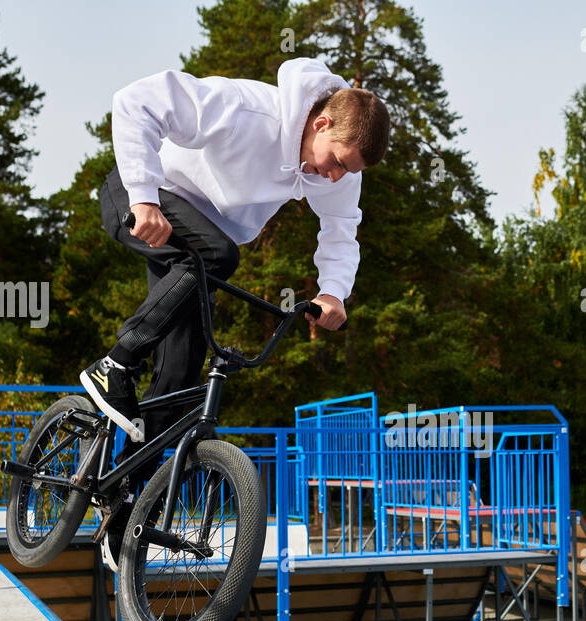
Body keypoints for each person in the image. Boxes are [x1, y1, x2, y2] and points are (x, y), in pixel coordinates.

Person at [80, 58, 390, 570]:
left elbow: (341, 228)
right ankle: (115, 362)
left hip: (190, 250)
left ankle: (123, 506)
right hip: (142, 200)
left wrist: (333, 293)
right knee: (220, 256)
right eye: (335, 160)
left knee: (180, 378)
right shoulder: (248, 110)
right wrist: (143, 195)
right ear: (321, 124)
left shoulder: (338, 173)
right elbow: (135, 101)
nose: (334, 176)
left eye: (347, 171)